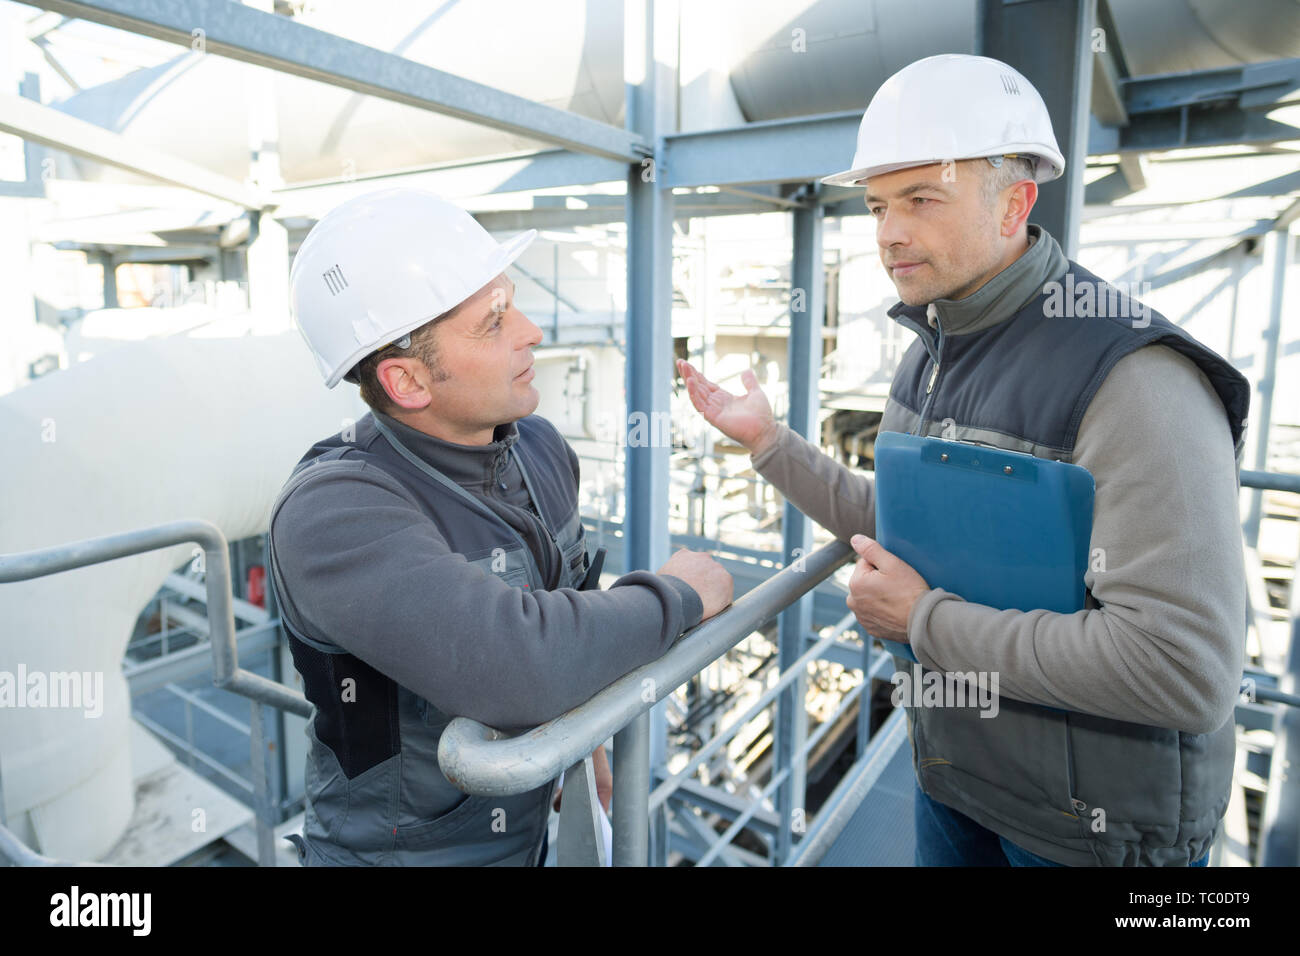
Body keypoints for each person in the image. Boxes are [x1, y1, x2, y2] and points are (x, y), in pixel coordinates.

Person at [678, 53, 1249, 867]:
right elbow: (908, 530)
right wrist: (770, 445)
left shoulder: (1136, 381)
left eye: (921, 199)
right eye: (877, 205)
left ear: (1016, 202)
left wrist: (922, 624)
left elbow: (1182, 671)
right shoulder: (935, 348)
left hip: (1091, 834)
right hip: (955, 781)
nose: (888, 233)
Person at [270, 187, 733, 866]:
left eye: (510, 301)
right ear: (407, 382)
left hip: (525, 843)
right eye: (493, 322)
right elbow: (518, 664)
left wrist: (587, 738)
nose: (531, 331)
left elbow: (565, 609)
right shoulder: (335, 513)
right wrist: (678, 595)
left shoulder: (540, 450)